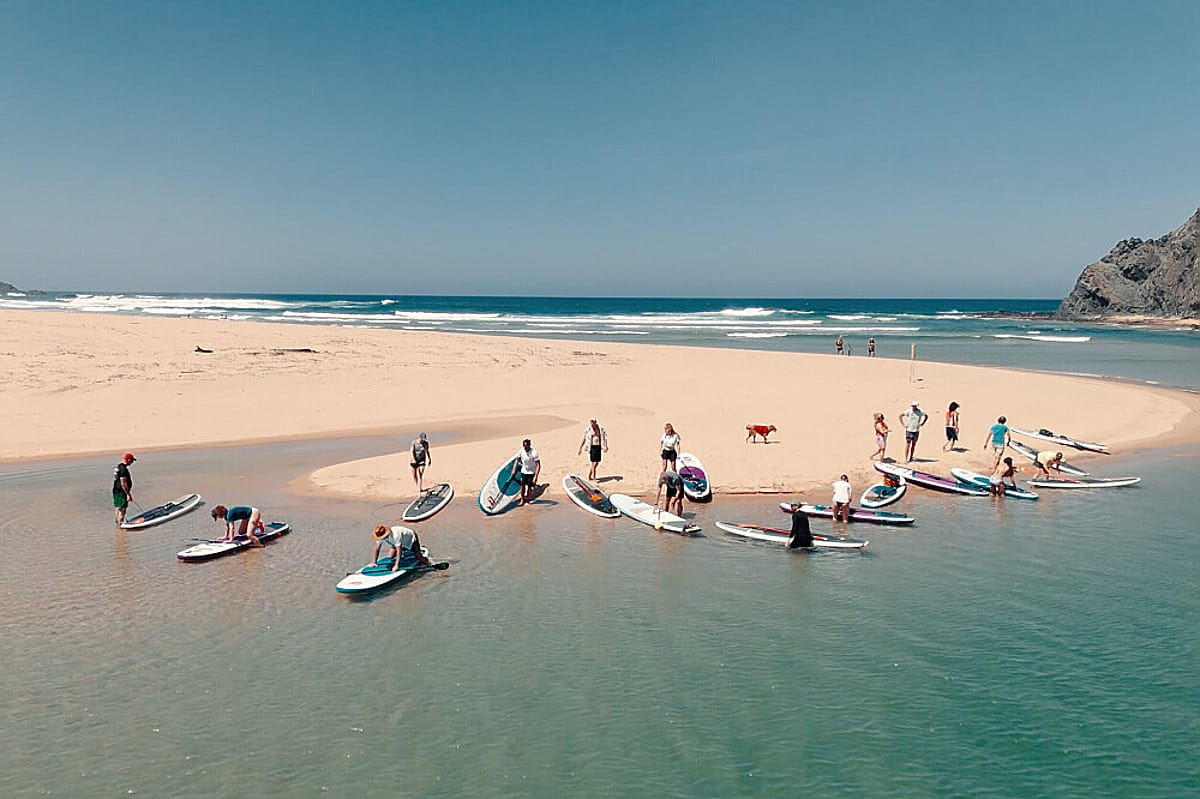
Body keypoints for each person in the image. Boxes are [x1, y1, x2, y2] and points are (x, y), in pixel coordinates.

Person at [511, 438, 541, 505]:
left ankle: (527, 499)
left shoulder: (534, 453)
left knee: (529, 486)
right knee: (523, 486)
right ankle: (522, 500)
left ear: (529, 445)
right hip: (524, 471)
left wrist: (535, 477)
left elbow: (538, 465)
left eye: (527, 447)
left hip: (532, 471)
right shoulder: (521, 451)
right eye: (524, 446)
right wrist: (514, 469)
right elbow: (517, 460)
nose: (525, 448)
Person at [112, 452, 136, 525]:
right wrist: (128, 494)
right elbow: (123, 483)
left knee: (117, 507)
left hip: (116, 491)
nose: (132, 463)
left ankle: (117, 525)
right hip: (121, 492)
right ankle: (120, 525)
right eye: (131, 461)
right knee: (122, 509)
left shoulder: (119, 466)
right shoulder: (123, 469)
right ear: (128, 460)